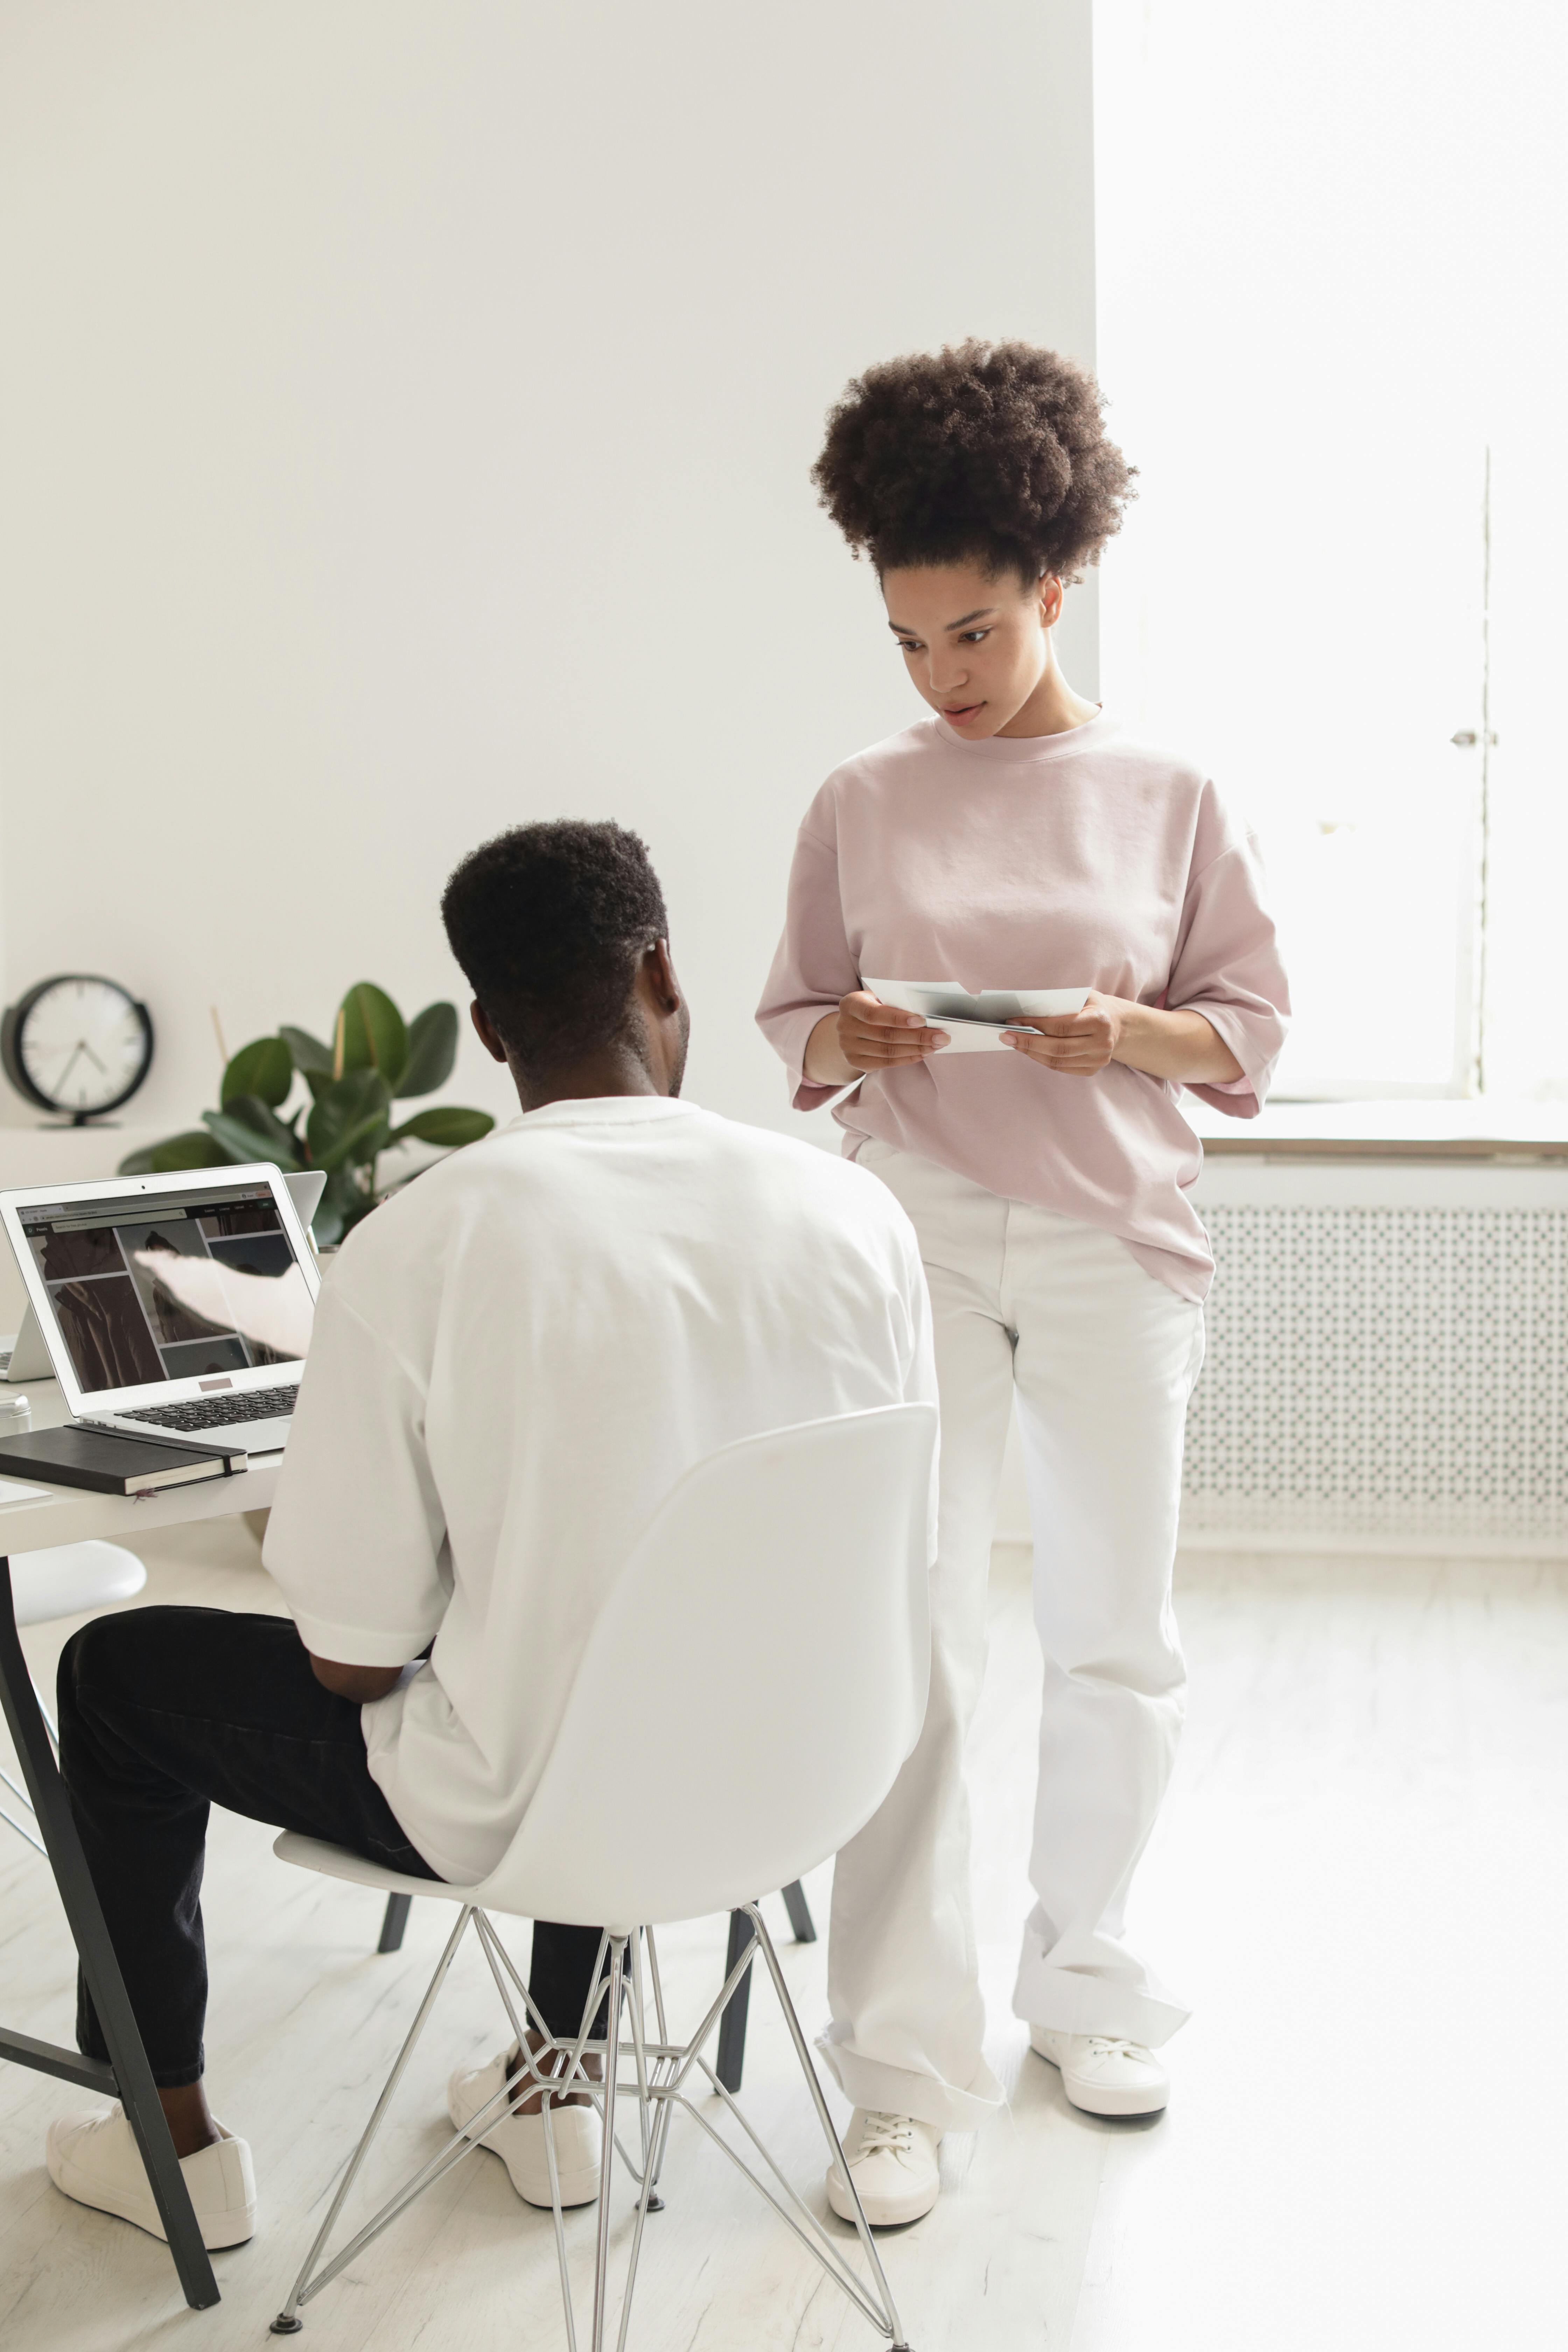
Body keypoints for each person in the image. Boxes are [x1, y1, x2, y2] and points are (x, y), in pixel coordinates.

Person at [47, 818, 936, 2252]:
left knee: (113, 1673)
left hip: (541, 1807)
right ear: (661, 972)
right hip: (811, 1774)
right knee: (590, 1635)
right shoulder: (855, 1210)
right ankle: (553, 2084)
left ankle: (175, 2150)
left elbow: (352, 1662)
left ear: (483, 1028)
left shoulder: (425, 1240)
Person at [757, 340, 1290, 2224]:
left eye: (972, 633)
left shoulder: (1169, 788)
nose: (942, 676)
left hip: (1111, 1243)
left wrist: (1123, 1036)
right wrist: (864, 1035)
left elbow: (1247, 1027)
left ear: (1056, 584)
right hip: (911, 1229)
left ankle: (1091, 1988)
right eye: (908, 641)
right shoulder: (861, 793)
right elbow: (794, 1020)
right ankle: (903, 2070)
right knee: (907, 1642)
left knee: (1112, 1635)